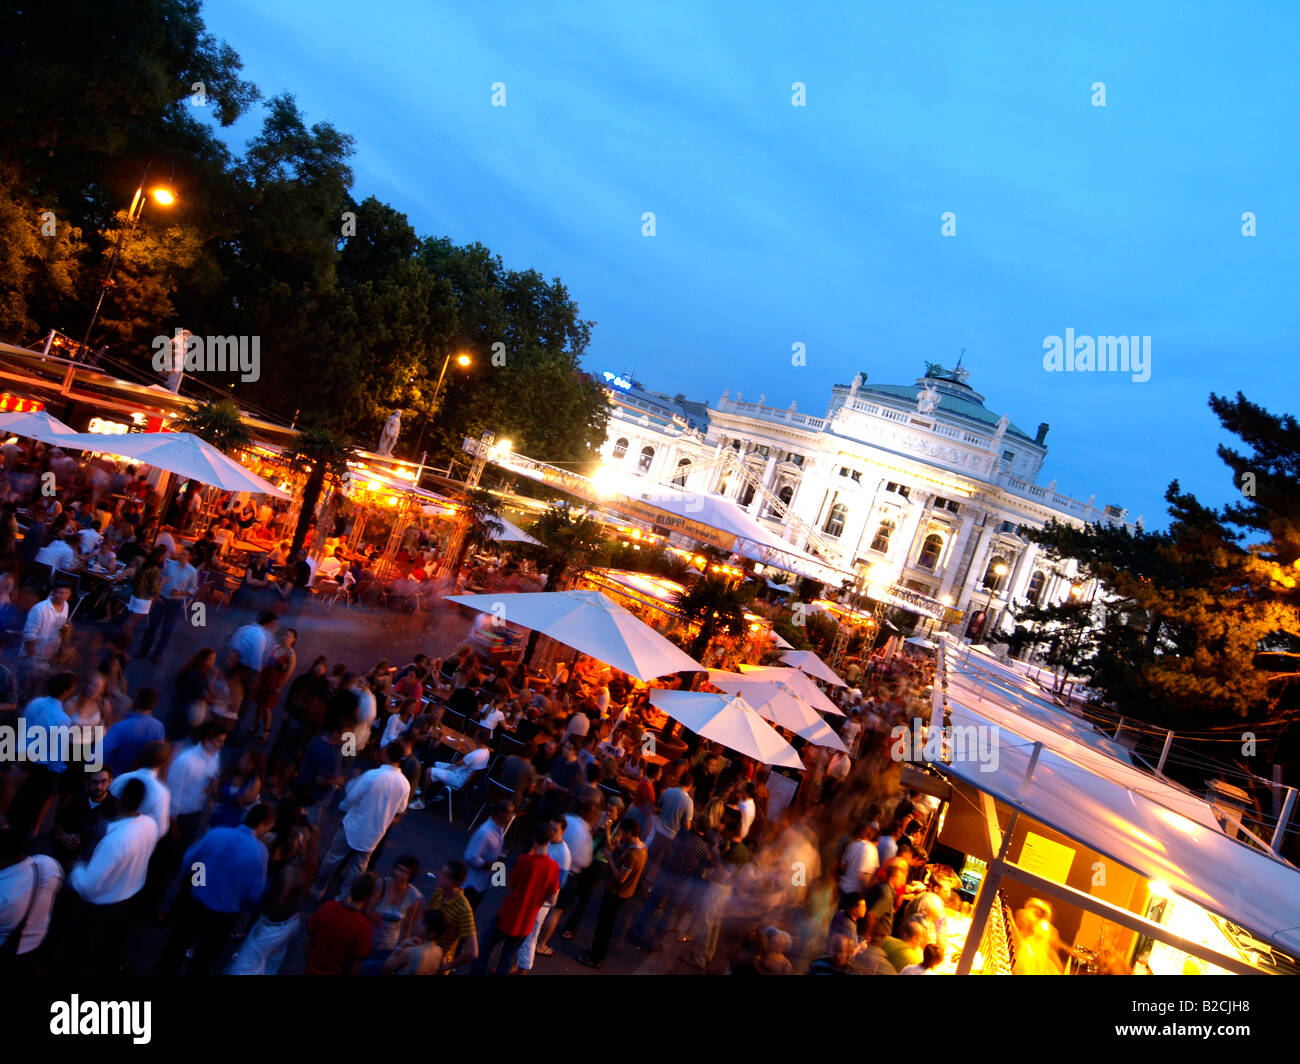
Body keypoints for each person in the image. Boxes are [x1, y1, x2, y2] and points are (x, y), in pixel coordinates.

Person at [156, 804, 273, 974]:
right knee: (203, 961)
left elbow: (190, 861)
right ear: (264, 823)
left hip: (194, 904)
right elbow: (254, 893)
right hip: (224, 916)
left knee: (174, 951)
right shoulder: (259, 852)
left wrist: (200, 883)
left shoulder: (217, 834)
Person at [63, 778, 158, 976]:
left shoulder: (115, 841)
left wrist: (77, 869)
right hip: (128, 900)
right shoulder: (150, 824)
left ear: (120, 801)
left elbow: (90, 886)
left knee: (84, 957)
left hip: (100, 910)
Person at [313, 742, 410, 902]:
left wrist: (342, 806)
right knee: (358, 870)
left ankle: (318, 888)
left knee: (332, 858)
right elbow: (400, 809)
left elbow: (352, 796)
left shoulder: (372, 775)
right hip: (374, 834)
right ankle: (346, 898)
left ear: (386, 754)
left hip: (352, 826)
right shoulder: (404, 785)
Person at [471, 823, 561, 975]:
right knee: (508, 956)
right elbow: (553, 900)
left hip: (509, 913)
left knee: (486, 945)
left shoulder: (524, 860)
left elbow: (512, 883)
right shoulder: (553, 868)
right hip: (528, 919)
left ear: (534, 839)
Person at [5, 672, 79, 839]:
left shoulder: (35, 702)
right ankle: (29, 833)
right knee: (28, 806)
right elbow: (57, 751)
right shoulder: (62, 719)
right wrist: (57, 769)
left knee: (10, 800)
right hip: (39, 767)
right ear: (66, 690)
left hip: (20, 757)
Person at [578, 817, 647, 969]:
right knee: (605, 926)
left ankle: (595, 958)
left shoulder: (633, 856)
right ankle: (596, 953)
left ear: (630, 832)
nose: (621, 835)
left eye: (623, 833)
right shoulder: (641, 848)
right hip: (623, 894)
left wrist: (610, 858)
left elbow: (621, 878)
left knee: (604, 927)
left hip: (616, 893)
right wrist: (620, 851)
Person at [0, 828, 64, 975]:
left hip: (10, 952)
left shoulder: (5, 895)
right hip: (36, 942)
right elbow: (56, 892)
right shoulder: (49, 865)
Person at [363, 855, 423, 973]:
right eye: (398, 869)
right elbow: (367, 909)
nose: (398, 873)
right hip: (369, 941)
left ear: (410, 875)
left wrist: (400, 949)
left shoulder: (413, 895)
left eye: (404, 872)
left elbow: (407, 926)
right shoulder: (381, 884)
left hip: (389, 947)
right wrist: (373, 916)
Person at [137, 546, 198, 662]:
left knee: (167, 630)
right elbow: (159, 577)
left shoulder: (192, 572)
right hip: (162, 599)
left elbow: (194, 589)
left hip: (175, 602)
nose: (181, 555)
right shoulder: (170, 565)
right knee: (152, 626)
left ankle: (158, 654)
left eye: (184, 554)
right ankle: (143, 650)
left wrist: (181, 593)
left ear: (189, 557)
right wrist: (157, 592)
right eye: (181, 553)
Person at [305, 873, 375, 975]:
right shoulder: (363, 926)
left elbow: (307, 940)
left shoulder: (328, 907)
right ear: (367, 898)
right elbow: (356, 965)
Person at [51, 767, 119, 870]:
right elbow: (58, 824)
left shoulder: (116, 807)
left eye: (103, 781)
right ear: (87, 782)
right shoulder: (77, 798)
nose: (99, 787)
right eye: (94, 782)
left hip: (91, 864)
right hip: (65, 857)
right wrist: (65, 837)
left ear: (110, 781)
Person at [409, 727, 491, 810]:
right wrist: (466, 746)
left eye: (475, 735)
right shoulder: (486, 751)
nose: (474, 736)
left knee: (429, 771)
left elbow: (456, 764)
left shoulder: (474, 755)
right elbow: (471, 756)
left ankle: (421, 801)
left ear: (478, 738)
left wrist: (445, 770)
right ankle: (433, 792)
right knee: (436, 764)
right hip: (465, 776)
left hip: (459, 779)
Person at [423, 860, 478, 973]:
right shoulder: (439, 892)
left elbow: (472, 952)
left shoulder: (464, 910)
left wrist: (448, 966)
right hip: (422, 954)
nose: (438, 876)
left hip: (436, 965)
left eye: (442, 874)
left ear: (451, 882)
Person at [461, 800, 514, 910]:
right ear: (501, 815)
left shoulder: (499, 829)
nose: (512, 816)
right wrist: (489, 866)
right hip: (471, 884)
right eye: (510, 813)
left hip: (482, 883)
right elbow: (470, 856)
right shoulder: (485, 833)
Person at [101, 687, 164, 777]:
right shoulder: (159, 727)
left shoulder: (120, 727)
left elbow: (101, 752)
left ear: (136, 701)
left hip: (117, 778)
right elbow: (158, 756)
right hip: (143, 781)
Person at [250, 627, 296, 744]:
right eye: (285, 635)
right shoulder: (277, 647)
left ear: (293, 639)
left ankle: (266, 731)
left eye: (289, 636)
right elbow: (267, 661)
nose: (285, 637)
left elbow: (289, 672)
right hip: (265, 678)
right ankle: (255, 726)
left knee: (267, 706)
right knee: (259, 703)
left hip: (274, 682)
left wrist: (280, 686)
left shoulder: (291, 654)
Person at [20, 584, 72, 667]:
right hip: (34, 657)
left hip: (49, 656)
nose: (63, 596)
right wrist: (31, 660)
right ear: (53, 593)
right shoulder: (39, 609)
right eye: (60, 593)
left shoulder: (65, 605)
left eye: (67, 593)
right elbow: (29, 636)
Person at [383, 909, 446, 974]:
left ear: (432, 934)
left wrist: (401, 945)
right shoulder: (439, 951)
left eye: (423, 922)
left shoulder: (410, 951)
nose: (417, 923)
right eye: (420, 919)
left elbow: (386, 968)